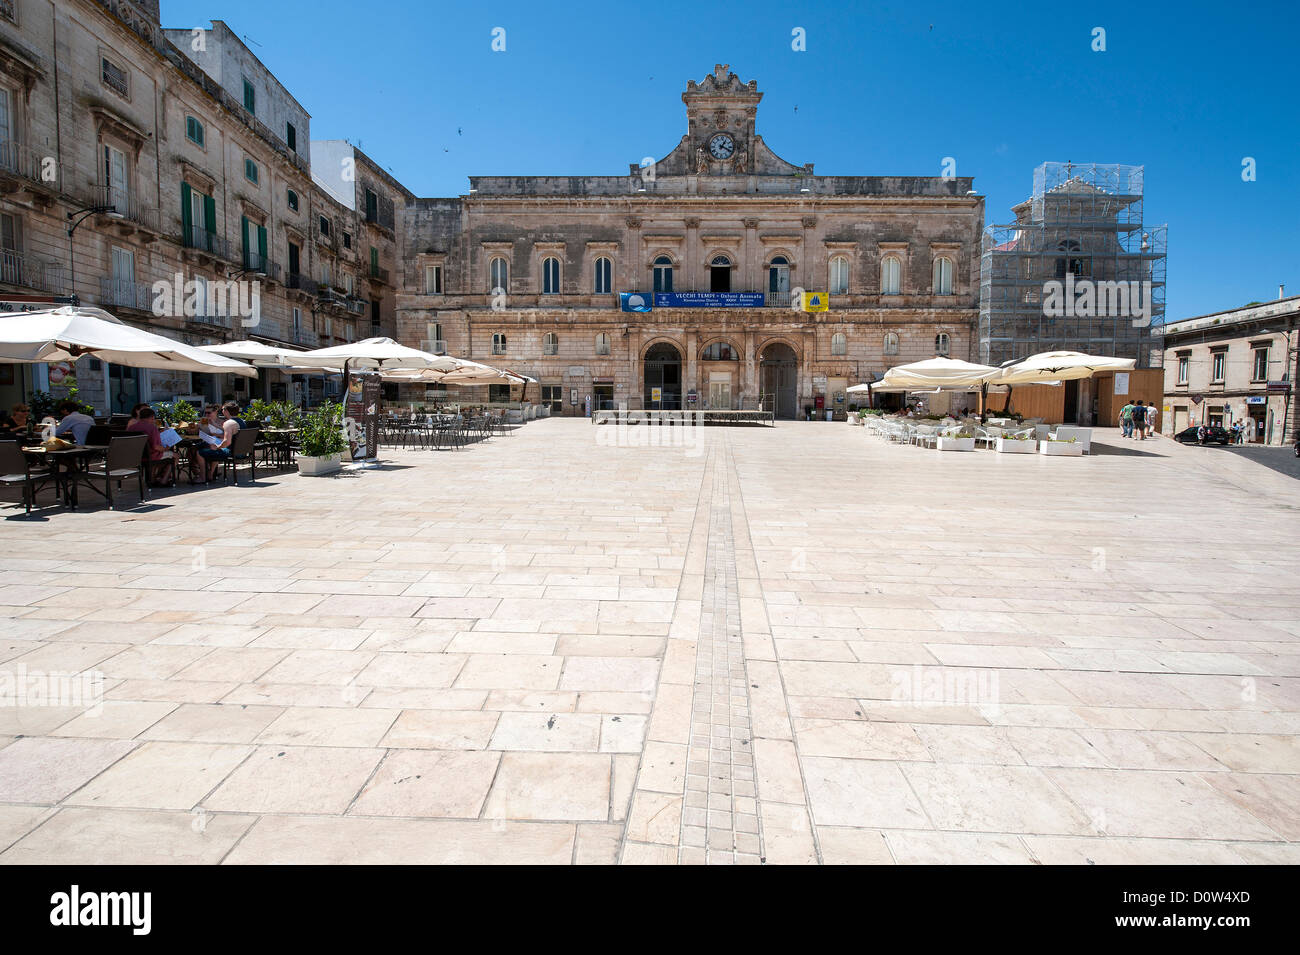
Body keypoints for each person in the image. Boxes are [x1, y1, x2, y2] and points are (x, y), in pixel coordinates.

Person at [126, 406, 174, 486]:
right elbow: (156, 447)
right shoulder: (152, 428)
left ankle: (153, 478)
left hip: (136, 456)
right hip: (151, 456)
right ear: (151, 417)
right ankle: (164, 480)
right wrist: (166, 448)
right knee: (175, 455)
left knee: (163, 456)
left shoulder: (131, 427)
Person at [197, 400, 241, 482]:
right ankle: (207, 473)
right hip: (241, 452)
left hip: (230, 452)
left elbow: (227, 442)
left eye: (223, 409)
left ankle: (203, 477)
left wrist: (218, 447)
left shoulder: (228, 423)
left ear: (227, 411)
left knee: (199, 452)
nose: (222, 411)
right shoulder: (240, 422)